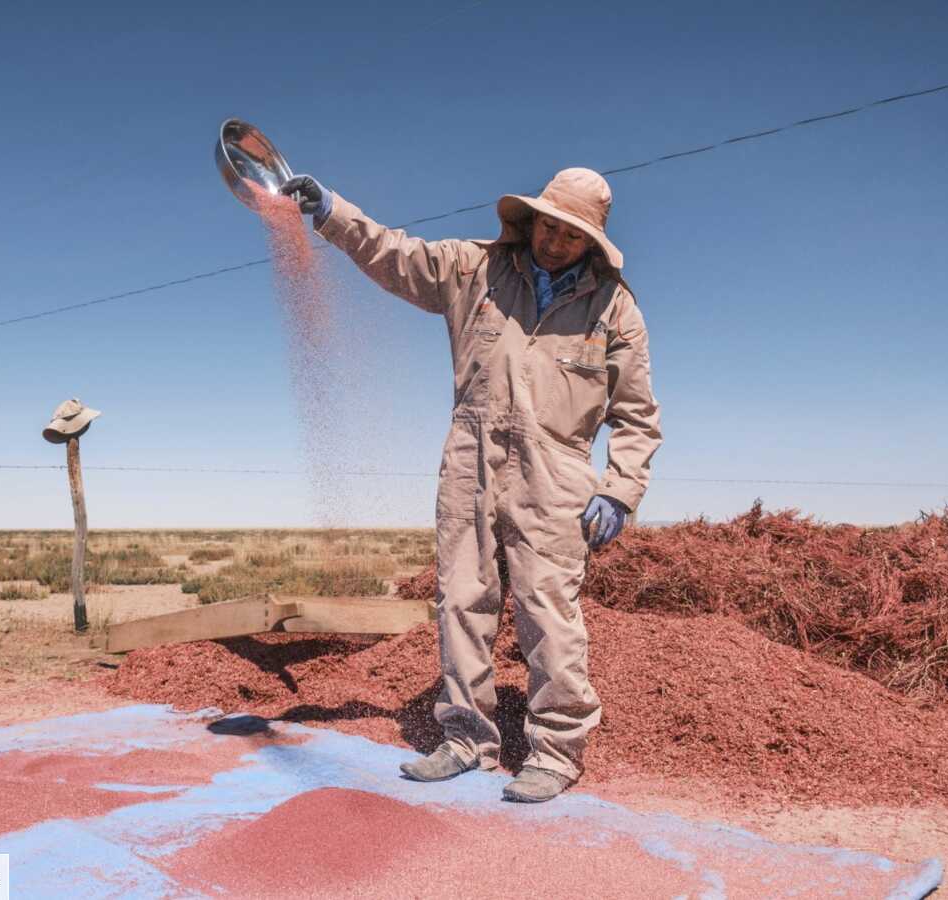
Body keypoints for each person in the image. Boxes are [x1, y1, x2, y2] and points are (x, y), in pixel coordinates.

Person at [279, 167, 662, 802]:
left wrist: (619, 490)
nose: (556, 242)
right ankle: (465, 739)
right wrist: (330, 213)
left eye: (571, 235)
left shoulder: (614, 307)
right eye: (549, 227)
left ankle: (556, 753)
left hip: (556, 472)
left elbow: (638, 415)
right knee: (461, 600)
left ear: (591, 241)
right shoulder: (474, 270)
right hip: (470, 457)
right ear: (532, 220)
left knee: (547, 612)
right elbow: (395, 254)